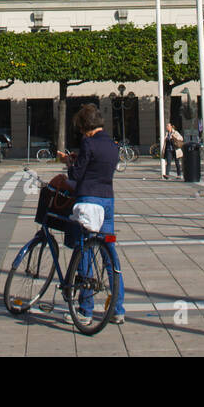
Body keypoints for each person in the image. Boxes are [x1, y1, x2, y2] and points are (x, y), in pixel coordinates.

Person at [61, 103, 125, 325]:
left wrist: (69, 162)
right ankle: (118, 308)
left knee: (85, 252)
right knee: (109, 254)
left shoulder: (88, 143)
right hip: (108, 200)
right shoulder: (112, 144)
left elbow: (77, 175)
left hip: (88, 200)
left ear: (85, 126)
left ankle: (85, 311)